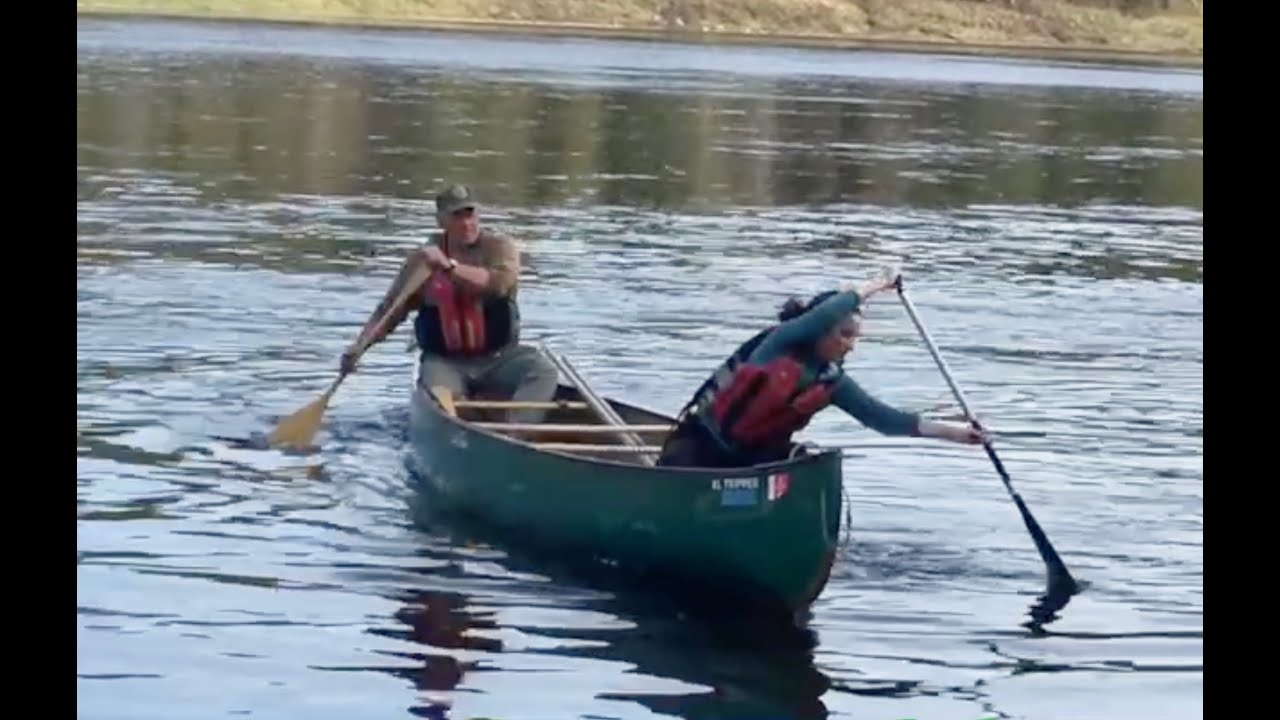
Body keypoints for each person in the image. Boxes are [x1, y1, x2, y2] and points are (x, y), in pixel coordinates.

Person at [656, 274, 984, 468]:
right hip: (698, 452)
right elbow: (825, 311)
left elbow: (885, 420)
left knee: (801, 460)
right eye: (844, 335)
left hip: (747, 463)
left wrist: (956, 434)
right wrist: (877, 284)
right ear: (820, 329)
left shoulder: (832, 382)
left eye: (855, 338)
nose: (850, 346)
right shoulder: (777, 347)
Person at [340, 183, 559, 423]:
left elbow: (498, 283)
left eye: (470, 214)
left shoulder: (499, 248)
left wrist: (449, 266)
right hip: (446, 362)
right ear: (441, 221)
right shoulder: (421, 260)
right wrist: (359, 347)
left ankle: (517, 431)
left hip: (500, 358)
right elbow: (391, 310)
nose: (466, 223)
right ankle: (465, 416)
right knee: (442, 398)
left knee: (542, 371)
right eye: (457, 216)